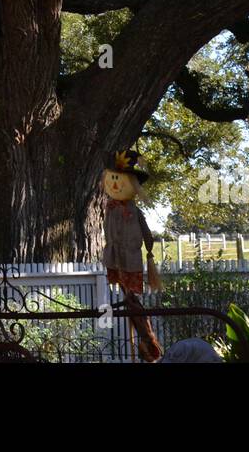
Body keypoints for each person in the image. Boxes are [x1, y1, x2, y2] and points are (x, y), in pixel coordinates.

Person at [101, 150, 163, 362]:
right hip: (114, 258)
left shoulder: (134, 211)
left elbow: (146, 234)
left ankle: (147, 342)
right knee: (129, 299)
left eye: (120, 179)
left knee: (131, 300)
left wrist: (149, 248)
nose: (115, 184)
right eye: (113, 178)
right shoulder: (110, 208)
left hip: (130, 259)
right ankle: (146, 342)